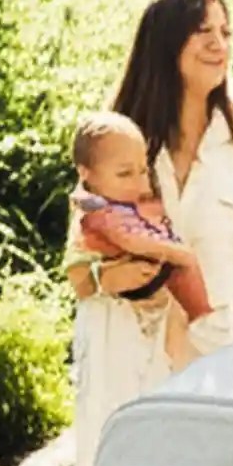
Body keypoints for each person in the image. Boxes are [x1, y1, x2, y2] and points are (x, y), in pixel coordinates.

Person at [67, 0, 233, 466]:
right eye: (203, 32)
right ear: (165, 44)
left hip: (222, 376)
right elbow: (80, 266)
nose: (220, 44)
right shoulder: (117, 144)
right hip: (129, 369)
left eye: (225, 31)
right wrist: (112, 277)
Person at [65, 111, 214, 324]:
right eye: (124, 174)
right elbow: (75, 273)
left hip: (161, 325)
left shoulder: (140, 204)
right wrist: (103, 280)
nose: (138, 183)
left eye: (143, 171)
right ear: (85, 173)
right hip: (112, 329)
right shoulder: (89, 216)